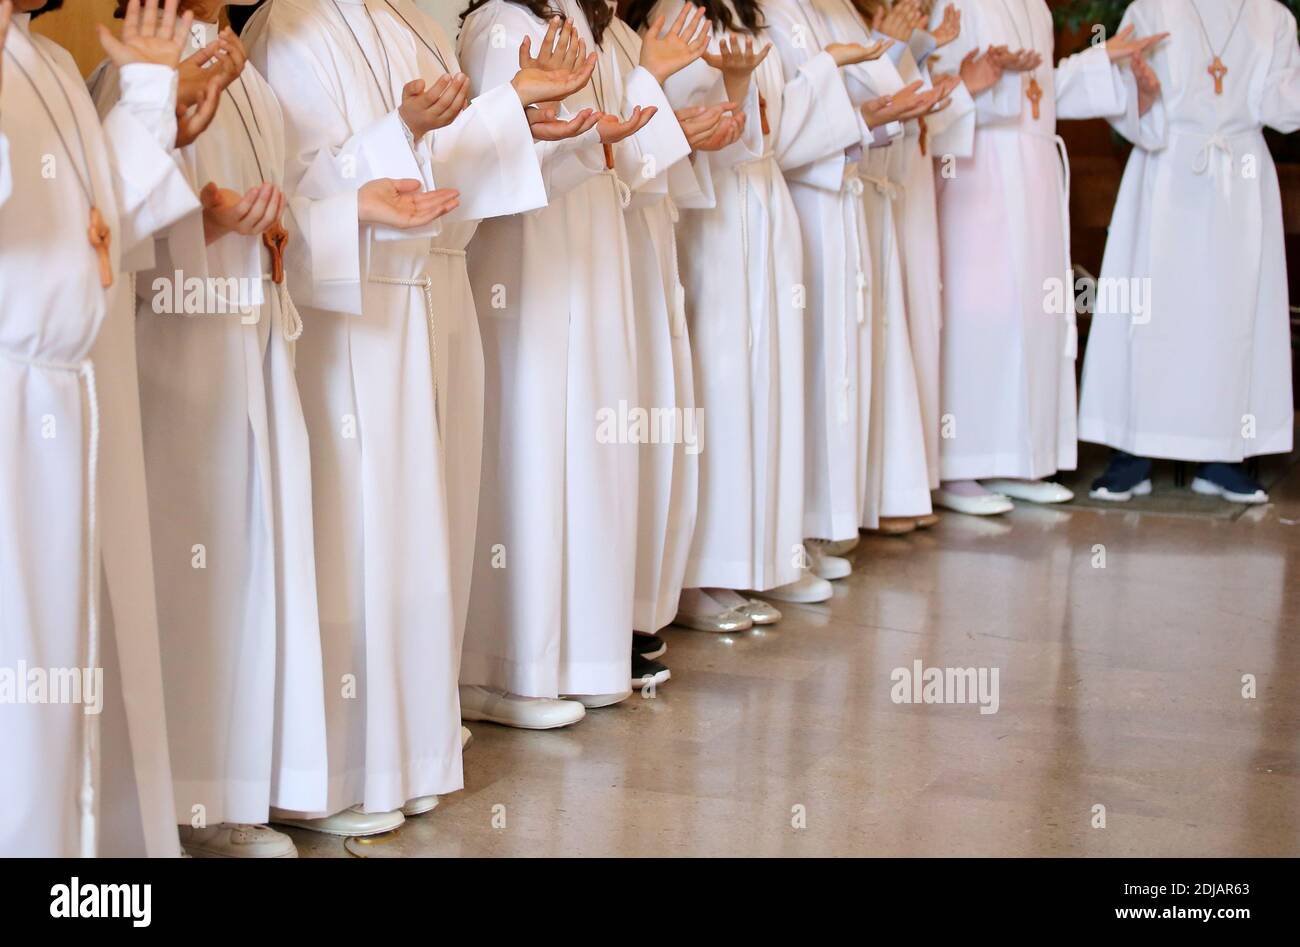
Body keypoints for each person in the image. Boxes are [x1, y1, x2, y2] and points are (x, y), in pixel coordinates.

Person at [244, 0, 583, 829]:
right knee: (356, 533)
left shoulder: (416, 24)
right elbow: (298, 187)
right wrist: (398, 128)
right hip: (352, 312)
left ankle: (407, 748)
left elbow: (440, 165)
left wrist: (515, 113)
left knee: (426, 535)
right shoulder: (289, 28)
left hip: (432, 287)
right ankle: (337, 767)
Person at [0, 0, 210, 857]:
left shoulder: (45, 62)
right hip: (12, 396)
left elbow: (98, 224)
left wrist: (150, 99)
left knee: (53, 670)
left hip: (58, 398)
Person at [457, 0, 673, 727]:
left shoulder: (571, 24)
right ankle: (505, 663)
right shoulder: (498, 25)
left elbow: (555, 146)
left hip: (582, 255)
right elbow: (490, 163)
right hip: (525, 271)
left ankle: (580, 651)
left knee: (585, 455)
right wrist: (572, 142)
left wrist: (594, 142)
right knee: (532, 451)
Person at [926, 0, 1162, 516]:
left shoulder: (1034, 6)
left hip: (1032, 170)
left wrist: (1104, 58)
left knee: (1030, 320)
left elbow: (1046, 90)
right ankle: (957, 463)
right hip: (976, 166)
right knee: (977, 316)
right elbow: (934, 86)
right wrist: (977, 84)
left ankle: (1015, 458)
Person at [1079, 0, 1297, 505]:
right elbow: (1131, 96)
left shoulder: (1272, 15)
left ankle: (1224, 455)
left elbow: (1283, 108)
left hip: (1240, 176)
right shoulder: (1153, 8)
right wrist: (1144, 95)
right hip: (1169, 167)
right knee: (1153, 315)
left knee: (1232, 317)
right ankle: (1132, 452)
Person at [607, 3, 735, 683]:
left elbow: (634, 148)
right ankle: (604, 622)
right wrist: (653, 86)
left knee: (654, 437)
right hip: (598, 248)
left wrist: (683, 132)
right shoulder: (510, 27)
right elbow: (596, 151)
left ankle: (637, 608)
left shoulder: (620, 34)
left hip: (642, 237)